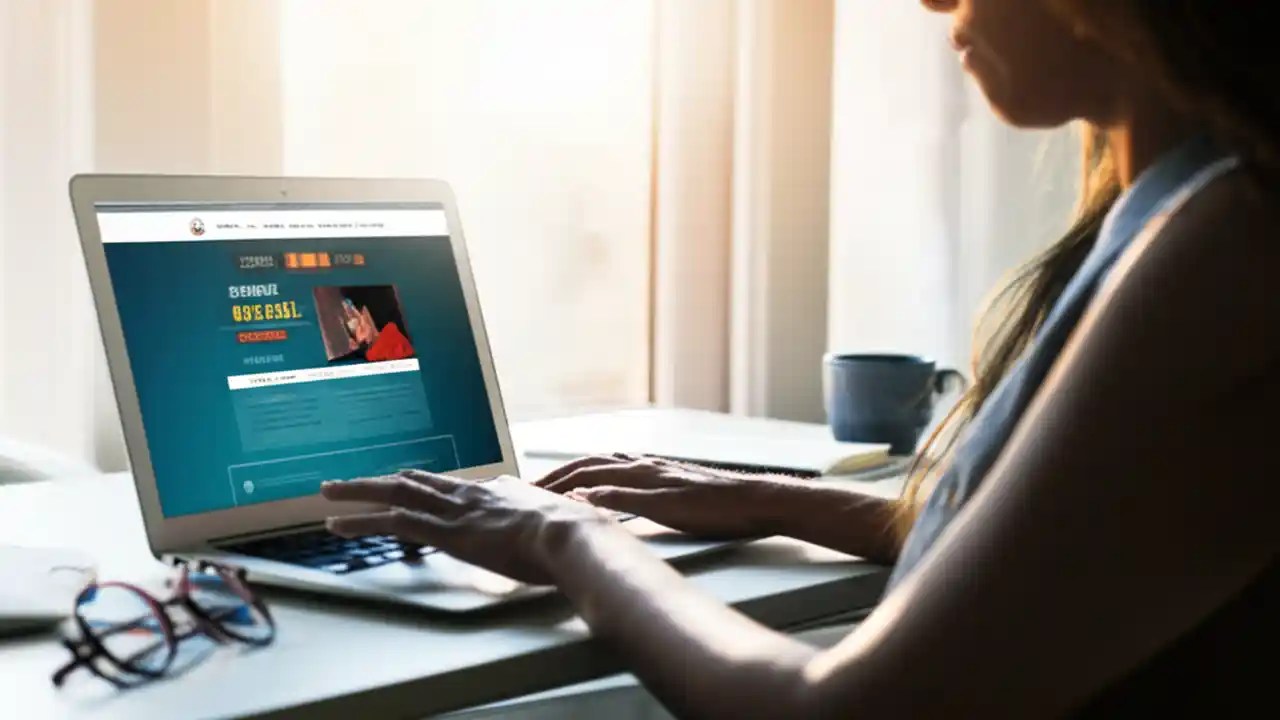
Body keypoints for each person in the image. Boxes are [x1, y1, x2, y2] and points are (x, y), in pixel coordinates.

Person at [321, 1, 1278, 716]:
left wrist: (564, 541)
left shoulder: (1225, 245)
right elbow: (1083, 546)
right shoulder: (1179, 203)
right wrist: (771, 498)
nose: (935, 0)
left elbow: (834, 713)